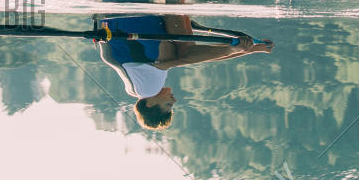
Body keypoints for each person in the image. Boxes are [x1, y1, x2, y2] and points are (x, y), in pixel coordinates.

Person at [95, 14, 273, 130]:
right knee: (182, 54)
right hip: (113, 24)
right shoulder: (134, 90)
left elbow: (187, 58)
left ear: (150, 104)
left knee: (184, 53)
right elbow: (200, 59)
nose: (174, 100)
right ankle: (179, 16)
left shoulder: (148, 90)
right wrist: (249, 50)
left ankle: (175, 6)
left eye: (168, 105)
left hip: (128, 23)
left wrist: (234, 49)